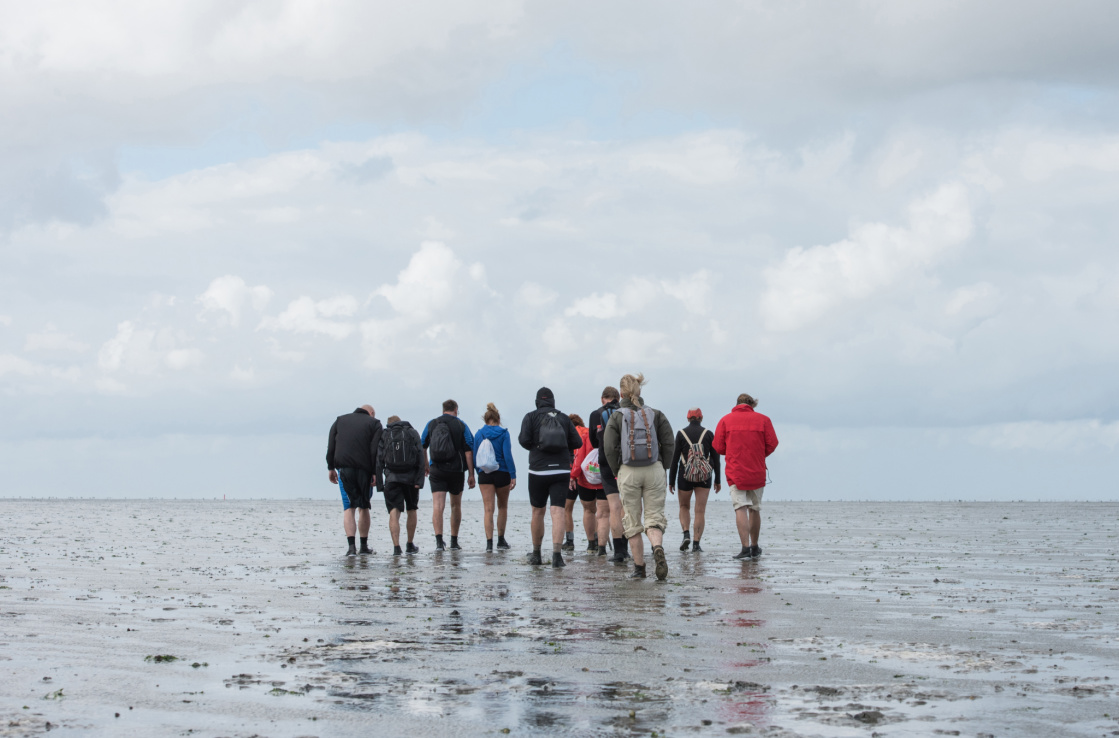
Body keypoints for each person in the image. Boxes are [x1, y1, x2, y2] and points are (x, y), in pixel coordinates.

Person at [603, 374, 674, 580]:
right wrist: (663, 466)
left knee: (632, 521)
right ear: (639, 391)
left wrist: (618, 470)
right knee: (654, 518)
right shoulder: (656, 414)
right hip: (654, 469)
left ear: (621, 393)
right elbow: (669, 443)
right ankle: (657, 547)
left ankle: (639, 568)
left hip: (628, 471)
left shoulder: (617, 416)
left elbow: (609, 447)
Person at [518, 387, 584, 568]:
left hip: (538, 470)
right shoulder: (563, 418)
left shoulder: (530, 417)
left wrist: (536, 446)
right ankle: (557, 556)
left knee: (538, 512)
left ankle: (537, 554)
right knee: (558, 512)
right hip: (561, 471)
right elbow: (577, 442)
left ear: (537, 401)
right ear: (553, 400)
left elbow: (523, 440)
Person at [712, 393, 779, 560]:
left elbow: (718, 447)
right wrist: (759, 454)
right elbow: (773, 443)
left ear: (736, 404)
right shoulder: (763, 420)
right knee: (755, 508)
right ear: (752, 405)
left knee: (740, 507)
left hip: (736, 471)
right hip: (757, 470)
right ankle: (755, 547)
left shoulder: (725, 420)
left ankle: (745, 548)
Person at [325, 405, 383, 556]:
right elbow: (374, 449)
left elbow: (331, 444)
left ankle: (351, 548)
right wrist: (375, 472)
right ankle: (363, 547)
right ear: (371, 413)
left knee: (348, 507)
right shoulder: (375, 423)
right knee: (363, 506)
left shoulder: (340, 420)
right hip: (365, 470)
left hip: (344, 468)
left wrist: (331, 467)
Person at [421, 399, 476, 550]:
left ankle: (439, 543)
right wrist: (471, 474)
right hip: (456, 471)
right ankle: (454, 541)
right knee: (455, 506)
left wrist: (426, 465)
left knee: (438, 506)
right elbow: (469, 451)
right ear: (456, 410)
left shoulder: (432, 424)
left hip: (437, 470)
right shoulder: (461, 425)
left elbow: (422, 446)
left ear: (443, 409)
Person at [669, 408, 722, 553]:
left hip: (685, 476)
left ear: (688, 418)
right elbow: (716, 459)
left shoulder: (681, 434)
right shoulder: (709, 434)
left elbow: (674, 459)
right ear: (701, 418)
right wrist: (718, 480)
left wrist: (671, 480)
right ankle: (696, 545)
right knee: (700, 511)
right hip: (704, 477)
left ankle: (686, 533)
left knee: (684, 507)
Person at [375, 415, 427, 555]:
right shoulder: (412, 432)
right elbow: (420, 456)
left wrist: (380, 484)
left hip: (391, 479)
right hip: (411, 478)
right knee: (411, 509)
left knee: (394, 511)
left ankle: (396, 547)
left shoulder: (385, 434)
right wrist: (420, 481)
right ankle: (410, 544)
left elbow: (379, 460)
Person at [589, 387, 627, 562]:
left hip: (605, 463)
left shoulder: (596, 414)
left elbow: (593, 441)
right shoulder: (625, 412)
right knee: (626, 507)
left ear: (602, 398)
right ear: (618, 398)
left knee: (613, 508)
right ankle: (627, 547)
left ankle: (617, 551)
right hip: (625, 463)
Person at [474, 403, 516, 552]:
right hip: (502, 472)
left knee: (488, 509)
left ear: (486, 420)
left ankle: (489, 544)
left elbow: (475, 457)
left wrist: (478, 472)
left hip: (485, 474)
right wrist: (513, 474)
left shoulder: (479, 434)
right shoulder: (504, 433)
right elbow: (507, 455)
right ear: (498, 419)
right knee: (502, 507)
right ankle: (501, 540)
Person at [567, 414, 601, 552]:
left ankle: (590, 544)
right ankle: (601, 543)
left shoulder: (573, 435)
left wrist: (573, 476)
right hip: (601, 477)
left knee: (586, 510)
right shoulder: (590, 432)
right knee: (603, 512)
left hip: (582, 478)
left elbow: (579, 458)